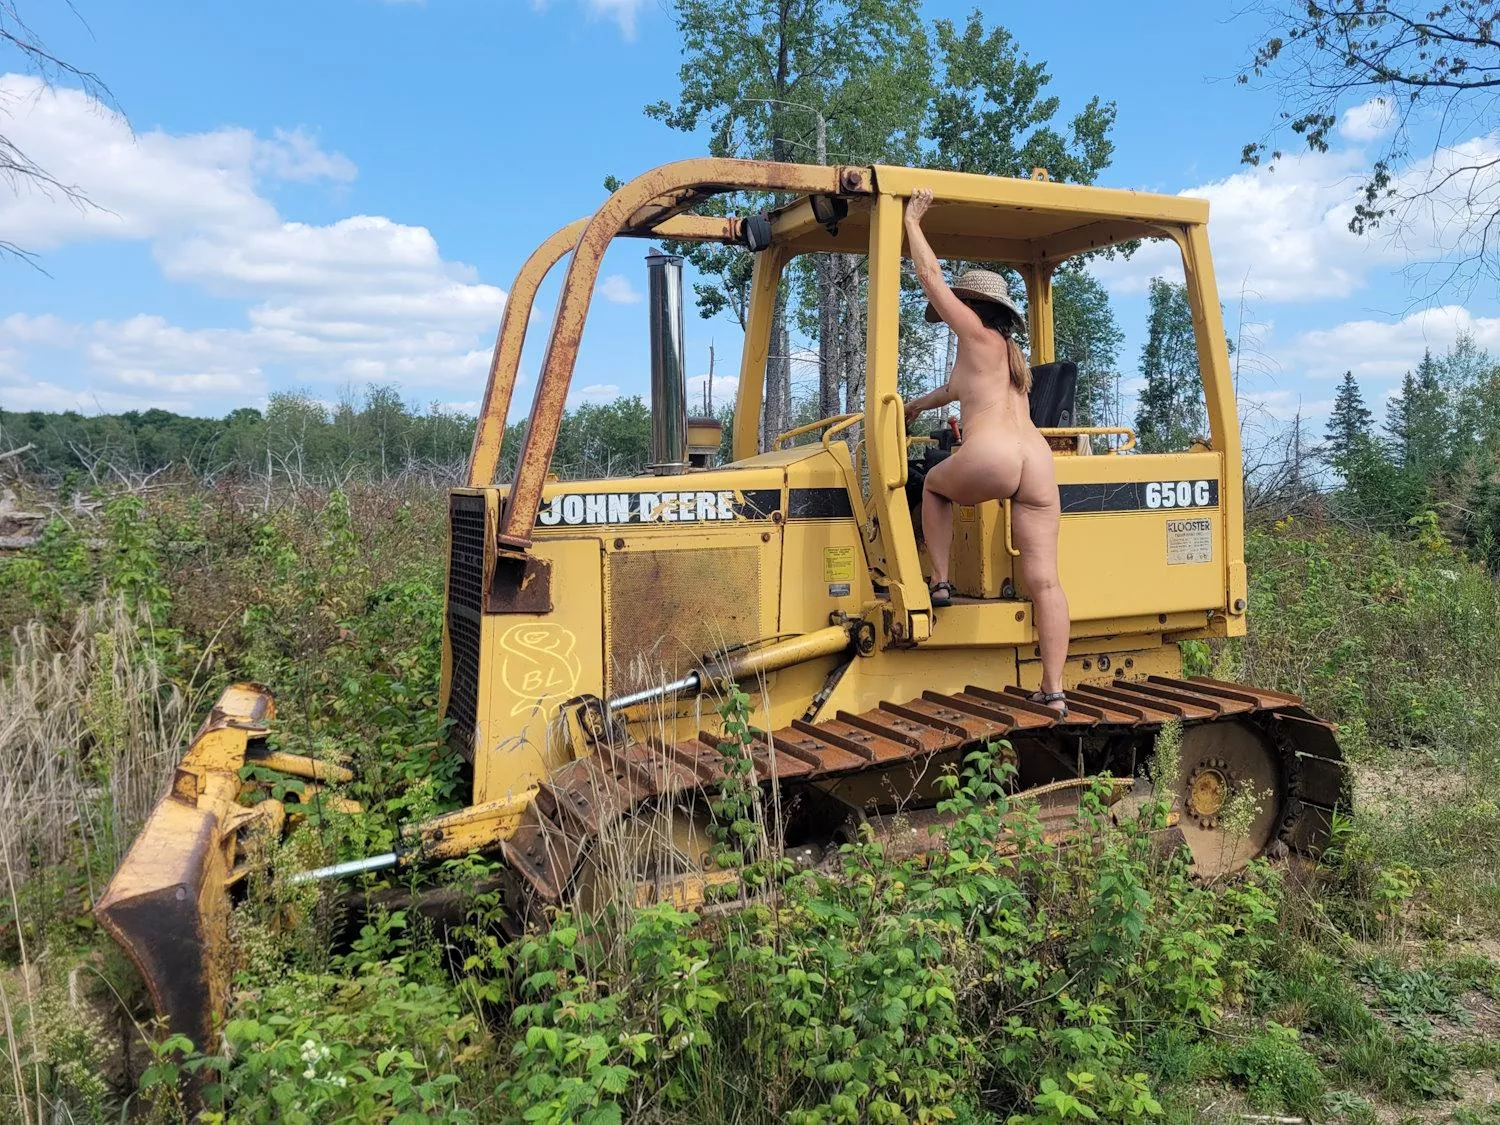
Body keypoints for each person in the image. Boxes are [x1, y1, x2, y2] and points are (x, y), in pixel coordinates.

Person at [900, 187, 1071, 717]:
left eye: (958, 305)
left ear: (972, 306)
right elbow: (954, 393)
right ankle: (1054, 688)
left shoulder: (972, 332)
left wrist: (912, 222)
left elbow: (929, 277)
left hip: (993, 455)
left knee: (931, 485)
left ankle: (941, 582)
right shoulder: (1008, 355)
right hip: (1036, 462)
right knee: (1045, 581)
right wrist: (912, 407)